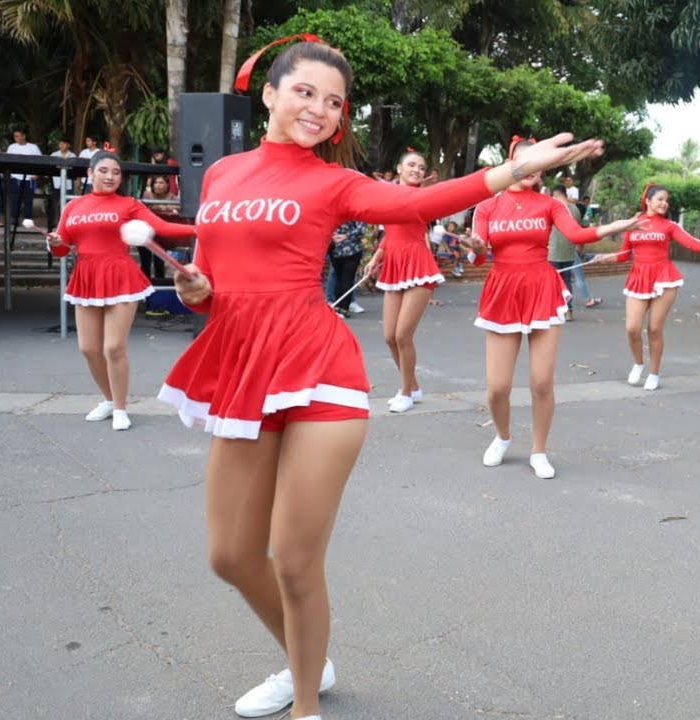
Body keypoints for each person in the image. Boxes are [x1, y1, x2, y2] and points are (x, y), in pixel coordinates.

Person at [159, 39, 605, 720]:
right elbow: (210, 284)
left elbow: (418, 205)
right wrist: (194, 290)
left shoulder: (333, 182)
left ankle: (306, 704)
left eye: (334, 102)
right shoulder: (222, 174)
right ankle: (309, 660)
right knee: (230, 556)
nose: (320, 109)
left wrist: (512, 170)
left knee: (295, 561)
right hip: (246, 371)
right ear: (269, 94)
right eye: (305, 92)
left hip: (319, 371)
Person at [470, 137, 641, 480]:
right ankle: (502, 436)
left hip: (542, 290)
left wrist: (615, 227)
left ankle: (539, 450)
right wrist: (475, 246)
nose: (534, 167)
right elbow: (479, 254)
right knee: (498, 387)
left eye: (540, 161)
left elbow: (577, 235)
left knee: (541, 382)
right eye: (527, 159)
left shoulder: (550, 204)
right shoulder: (487, 206)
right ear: (512, 162)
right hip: (503, 292)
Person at [44, 150, 197, 431]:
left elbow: (162, 227)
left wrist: (202, 229)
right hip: (86, 277)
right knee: (88, 348)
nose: (110, 176)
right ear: (90, 173)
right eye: (103, 171)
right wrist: (54, 242)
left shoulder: (129, 204)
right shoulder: (74, 206)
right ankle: (108, 399)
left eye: (115, 172)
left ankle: (120, 408)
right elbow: (63, 248)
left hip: (120, 276)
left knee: (113, 347)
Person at [596, 183, 700, 390]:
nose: (664, 203)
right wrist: (606, 258)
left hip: (664, 278)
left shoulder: (670, 226)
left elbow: (693, 243)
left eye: (666, 200)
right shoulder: (633, 225)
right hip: (639, 278)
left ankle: (654, 373)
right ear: (648, 201)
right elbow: (624, 254)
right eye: (660, 199)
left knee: (654, 329)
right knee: (632, 328)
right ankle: (638, 363)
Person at [362, 150, 448, 413]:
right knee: (390, 336)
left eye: (421, 167)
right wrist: (376, 256)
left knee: (402, 335)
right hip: (395, 266)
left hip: (419, 266)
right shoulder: (389, 197)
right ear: (399, 169)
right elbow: (391, 233)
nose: (417, 170)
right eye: (411, 165)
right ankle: (414, 386)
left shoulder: (423, 197)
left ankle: (406, 392)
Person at [547, 184, 582, 318]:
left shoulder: (553, 208)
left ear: (556, 195)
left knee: (553, 282)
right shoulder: (575, 210)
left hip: (553, 251)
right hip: (569, 251)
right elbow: (578, 229)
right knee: (566, 281)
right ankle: (568, 310)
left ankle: (554, 309)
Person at [138, 175, 180, 279]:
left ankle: (160, 282)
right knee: (145, 261)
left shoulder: (172, 197)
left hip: (161, 233)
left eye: (161, 183)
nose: (158, 185)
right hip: (146, 231)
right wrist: (160, 207)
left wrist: (165, 207)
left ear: (167, 185)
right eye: (156, 183)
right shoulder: (146, 195)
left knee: (159, 261)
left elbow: (179, 206)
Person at [327, 219, 367, 317]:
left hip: (337, 248)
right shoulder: (356, 212)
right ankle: (343, 308)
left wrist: (333, 236)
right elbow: (362, 229)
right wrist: (346, 236)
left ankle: (338, 306)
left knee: (341, 278)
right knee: (346, 279)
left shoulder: (333, 211)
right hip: (350, 249)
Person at [6, 128, 42, 227]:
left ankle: (28, 222)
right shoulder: (12, 147)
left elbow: (40, 161)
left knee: (28, 200)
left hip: (30, 178)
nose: (16, 138)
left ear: (24, 136)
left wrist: (37, 174)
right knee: (15, 200)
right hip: (16, 177)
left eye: (17, 136)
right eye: (14, 136)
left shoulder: (33, 147)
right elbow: (7, 161)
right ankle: (14, 220)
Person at [48, 138, 77, 228]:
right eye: (60, 144)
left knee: (69, 204)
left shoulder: (73, 155)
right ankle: (56, 222)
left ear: (68, 145)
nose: (61, 146)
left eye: (63, 144)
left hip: (68, 183)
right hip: (56, 182)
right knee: (55, 203)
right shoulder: (54, 155)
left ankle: (68, 222)